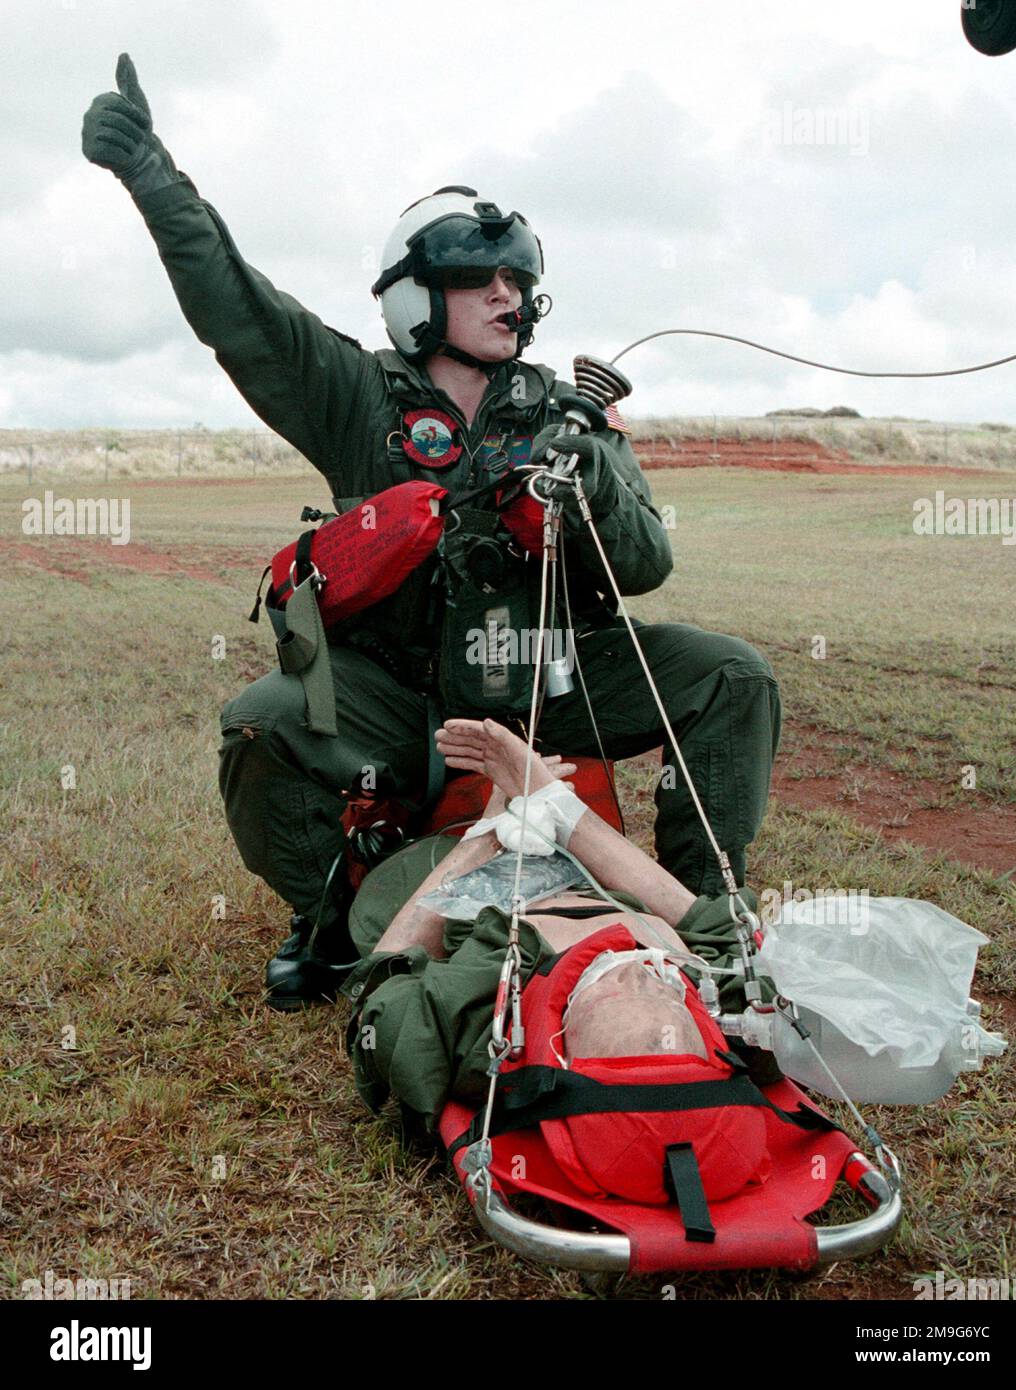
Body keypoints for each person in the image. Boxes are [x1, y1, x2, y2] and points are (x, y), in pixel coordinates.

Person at [82, 55, 783, 1012]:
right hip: (406, 699)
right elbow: (239, 311)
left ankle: (706, 908)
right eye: (477, 279)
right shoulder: (357, 395)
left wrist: (594, 481)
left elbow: (648, 565)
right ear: (417, 296)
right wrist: (155, 179)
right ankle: (327, 917)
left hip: (558, 678)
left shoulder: (568, 417)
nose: (508, 296)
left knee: (730, 675)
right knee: (262, 722)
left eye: (516, 280)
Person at [345, 716, 781, 1139]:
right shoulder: (729, 1007)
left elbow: (381, 980)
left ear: (558, 1041)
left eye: (612, 991)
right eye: (655, 983)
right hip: (601, 870)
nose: (629, 970)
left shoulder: (492, 1022)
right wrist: (553, 804)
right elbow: (704, 918)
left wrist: (492, 827)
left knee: (373, 889)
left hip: (465, 883)